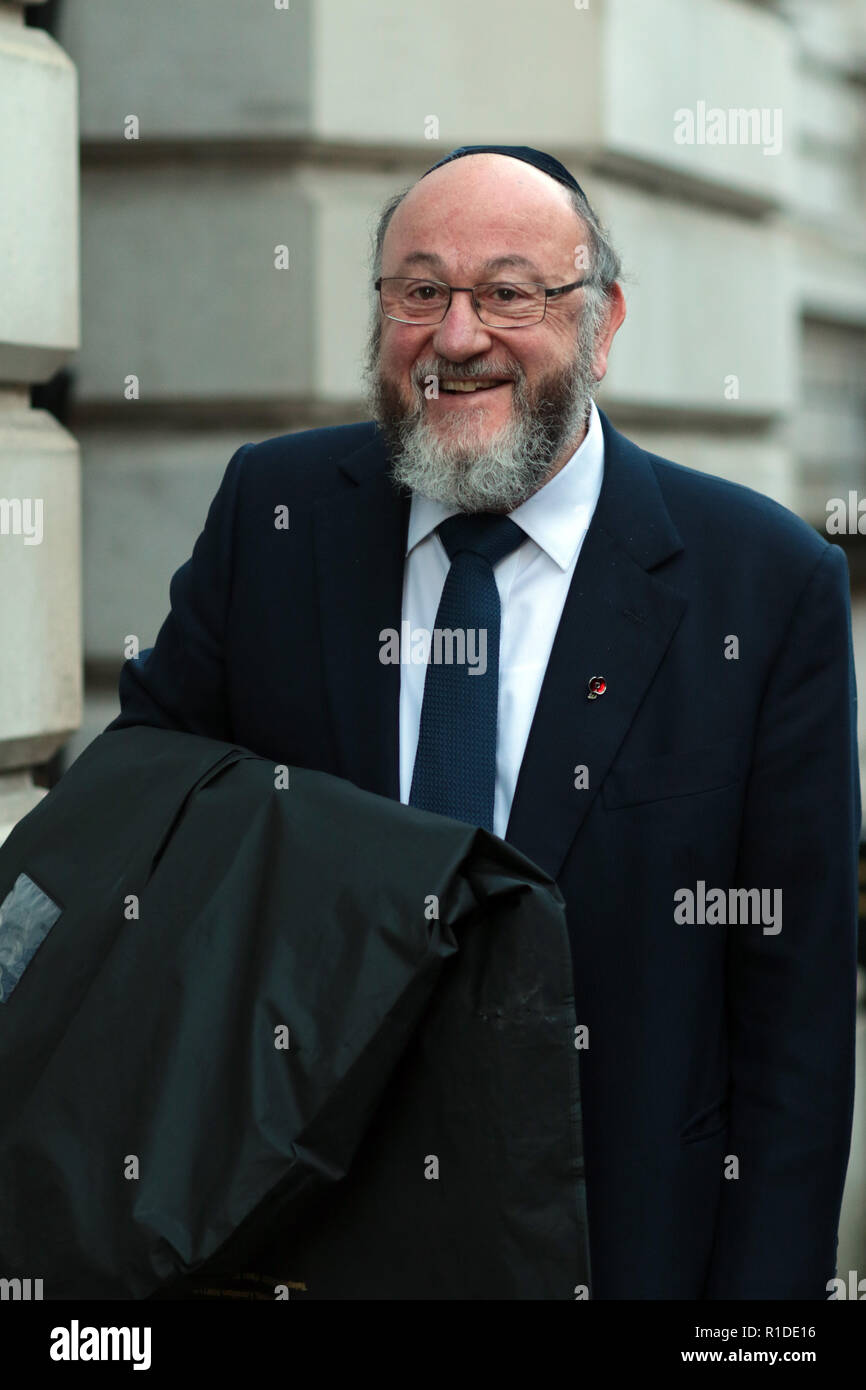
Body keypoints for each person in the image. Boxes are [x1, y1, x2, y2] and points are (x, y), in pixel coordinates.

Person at [108, 145, 860, 1300]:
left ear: (600, 323)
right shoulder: (276, 514)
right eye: (419, 291)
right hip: (293, 1247)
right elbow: (141, 813)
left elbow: (793, 1029)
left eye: (509, 293)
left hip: (614, 1248)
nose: (456, 339)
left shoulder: (760, 586)